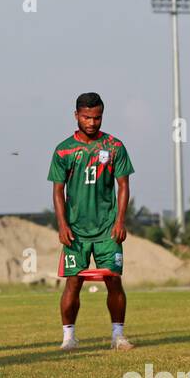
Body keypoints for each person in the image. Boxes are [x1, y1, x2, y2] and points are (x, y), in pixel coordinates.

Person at [49, 93, 134, 351]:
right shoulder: (64, 150)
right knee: (73, 282)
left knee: (113, 280)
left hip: (107, 229)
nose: (92, 122)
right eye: (86, 117)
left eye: (97, 117)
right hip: (76, 230)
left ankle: (118, 336)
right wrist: (62, 226)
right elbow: (57, 191)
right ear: (76, 115)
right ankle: (68, 338)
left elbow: (123, 186)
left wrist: (120, 221)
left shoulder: (114, 147)